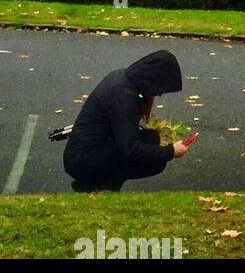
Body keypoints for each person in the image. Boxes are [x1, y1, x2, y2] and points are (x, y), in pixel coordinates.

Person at [63, 49, 199, 191]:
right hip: (82, 161)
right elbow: (130, 149)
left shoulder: (123, 79)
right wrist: (170, 151)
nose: (159, 94)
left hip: (88, 151)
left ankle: (102, 183)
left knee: (151, 138)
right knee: (156, 159)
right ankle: (100, 185)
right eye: (160, 89)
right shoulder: (124, 97)